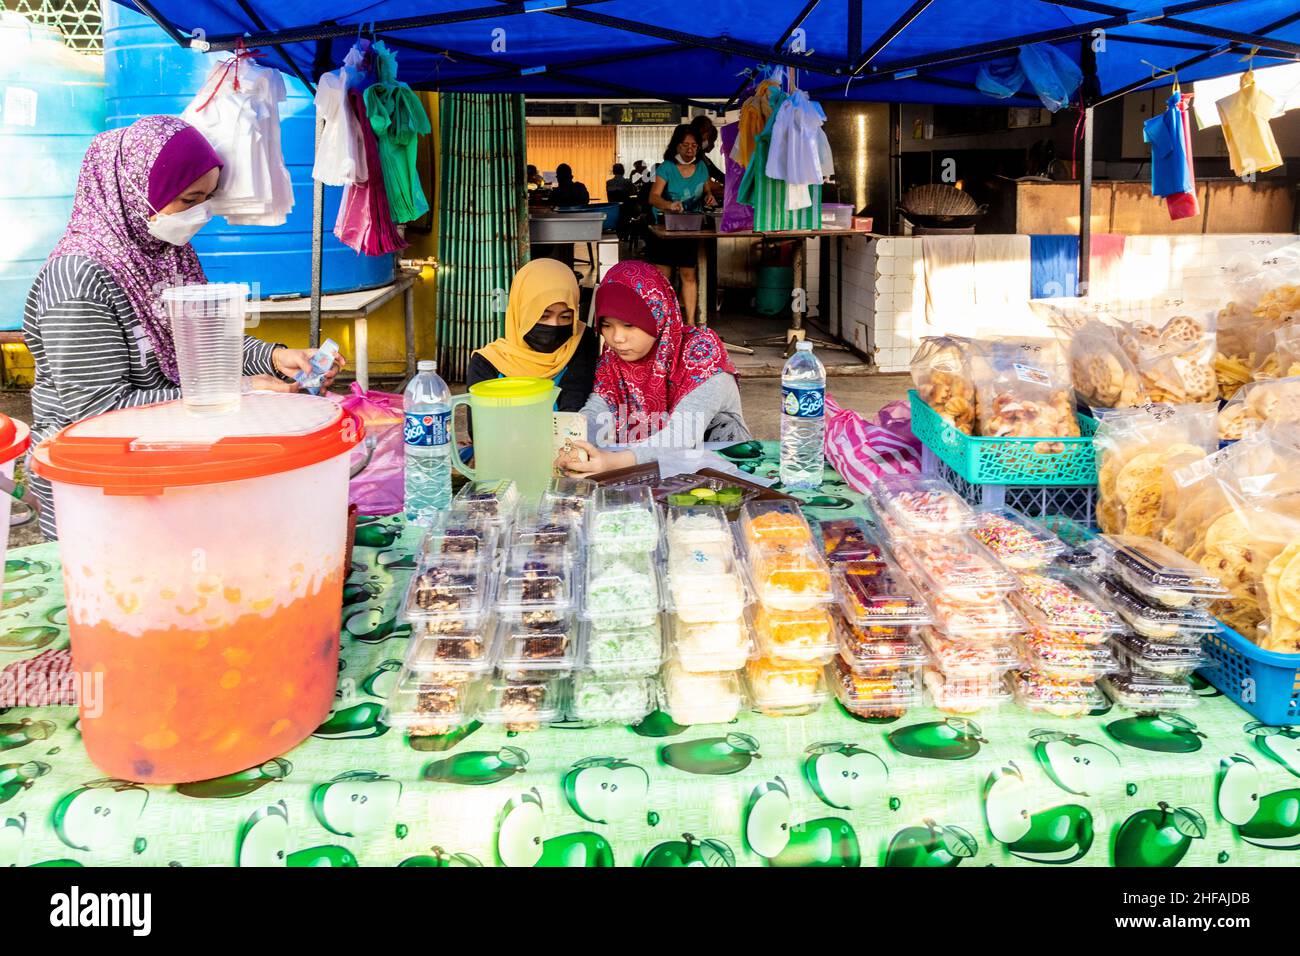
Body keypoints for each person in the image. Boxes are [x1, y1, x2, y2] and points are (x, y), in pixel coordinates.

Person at [22, 115, 344, 540]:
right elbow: (96, 413)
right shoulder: (79, 277)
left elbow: (204, 344)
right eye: (189, 199)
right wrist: (244, 393)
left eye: (207, 199)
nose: (200, 214)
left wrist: (274, 357)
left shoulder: (168, 255)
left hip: (168, 468)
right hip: (101, 493)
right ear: (136, 188)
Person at [555, 261, 750, 477]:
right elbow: (597, 409)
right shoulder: (614, 358)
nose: (617, 338)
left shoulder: (702, 352)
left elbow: (681, 435)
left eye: (629, 325)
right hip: (651, 471)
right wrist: (574, 444)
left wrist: (614, 462)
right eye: (607, 325)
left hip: (721, 473)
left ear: (657, 315)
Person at [467, 257, 598, 412]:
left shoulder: (581, 340)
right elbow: (478, 426)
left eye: (565, 317)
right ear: (521, 312)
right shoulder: (486, 364)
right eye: (542, 315)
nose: (554, 325)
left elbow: (574, 402)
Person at [644, 124, 715, 325]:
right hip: (665, 227)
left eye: (693, 145)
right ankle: (663, 323)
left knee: (688, 274)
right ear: (676, 146)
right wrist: (669, 205)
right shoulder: (666, 168)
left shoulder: (701, 167)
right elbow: (653, 197)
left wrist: (709, 196)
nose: (689, 149)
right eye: (684, 145)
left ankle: (691, 324)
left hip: (690, 227)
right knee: (664, 278)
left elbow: (707, 189)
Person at [689, 114, 726, 202]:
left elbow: (719, 175)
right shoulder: (691, 157)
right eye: (710, 140)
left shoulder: (704, 159)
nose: (712, 145)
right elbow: (707, 184)